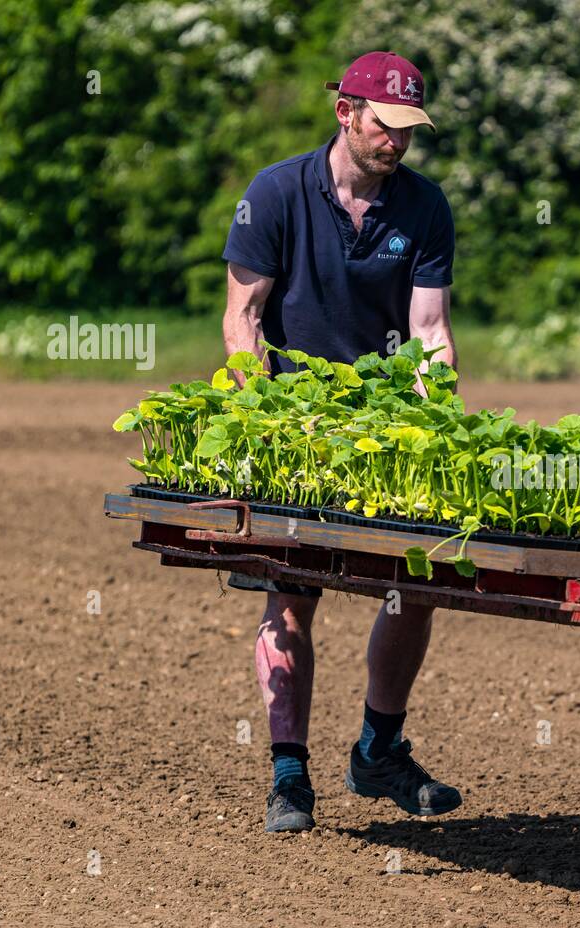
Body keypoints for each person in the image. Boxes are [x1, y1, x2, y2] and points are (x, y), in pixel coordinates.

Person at [221, 51, 462, 833]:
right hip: (297, 418)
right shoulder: (276, 193)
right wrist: (272, 422)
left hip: (385, 422)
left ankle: (378, 750)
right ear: (345, 114)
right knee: (293, 588)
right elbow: (243, 322)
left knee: (418, 582)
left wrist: (438, 427)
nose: (397, 142)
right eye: (385, 126)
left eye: (409, 130)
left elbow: (428, 331)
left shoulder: (425, 208)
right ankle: (289, 773)